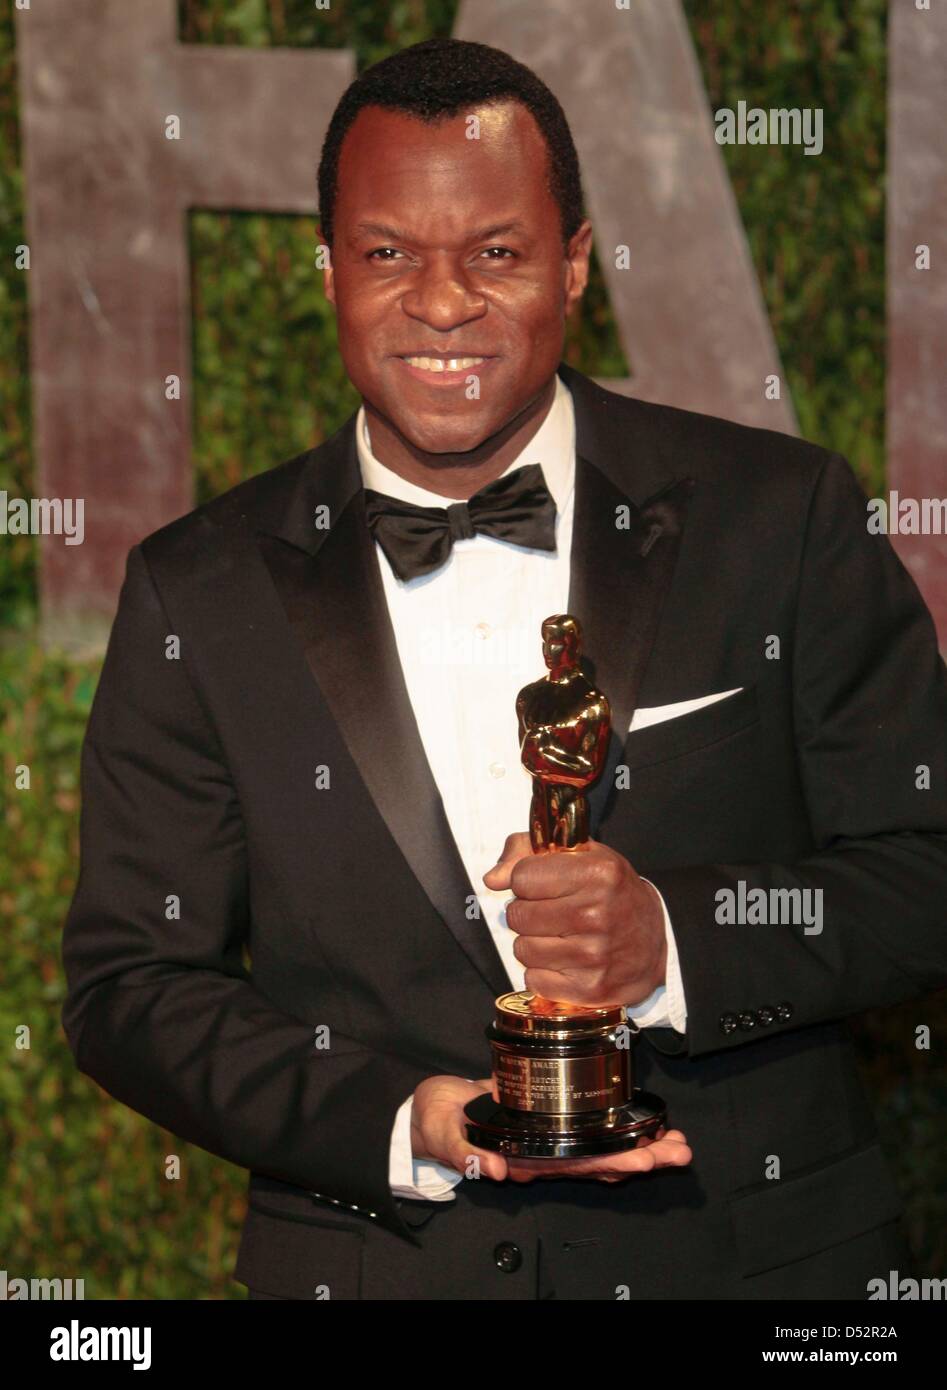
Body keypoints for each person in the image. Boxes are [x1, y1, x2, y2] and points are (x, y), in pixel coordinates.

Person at [61, 37, 947, 1301]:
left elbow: (924, 865)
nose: (438, 302)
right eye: (385, 253)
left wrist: (673, 940)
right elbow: (130, 984)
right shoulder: (197, 592)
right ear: (324, 270)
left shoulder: (778, 516)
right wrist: (401, 1120)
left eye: (493, 251)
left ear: (573, 263)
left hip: (753, 1268)